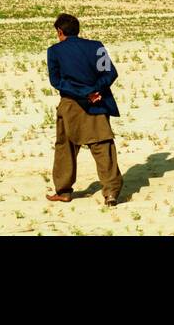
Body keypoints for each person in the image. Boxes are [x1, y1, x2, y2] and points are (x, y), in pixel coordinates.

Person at [45, 12, 122, 205]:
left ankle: (63, 191)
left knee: (65, 147)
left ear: (60, 31)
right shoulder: (97, 46)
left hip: (71, 104)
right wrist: (95, 91)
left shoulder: (54, 51)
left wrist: (83, 93)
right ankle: (111, 192)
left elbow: (56, 81)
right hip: (98, 101)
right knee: (103, 147)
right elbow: (110, 73)